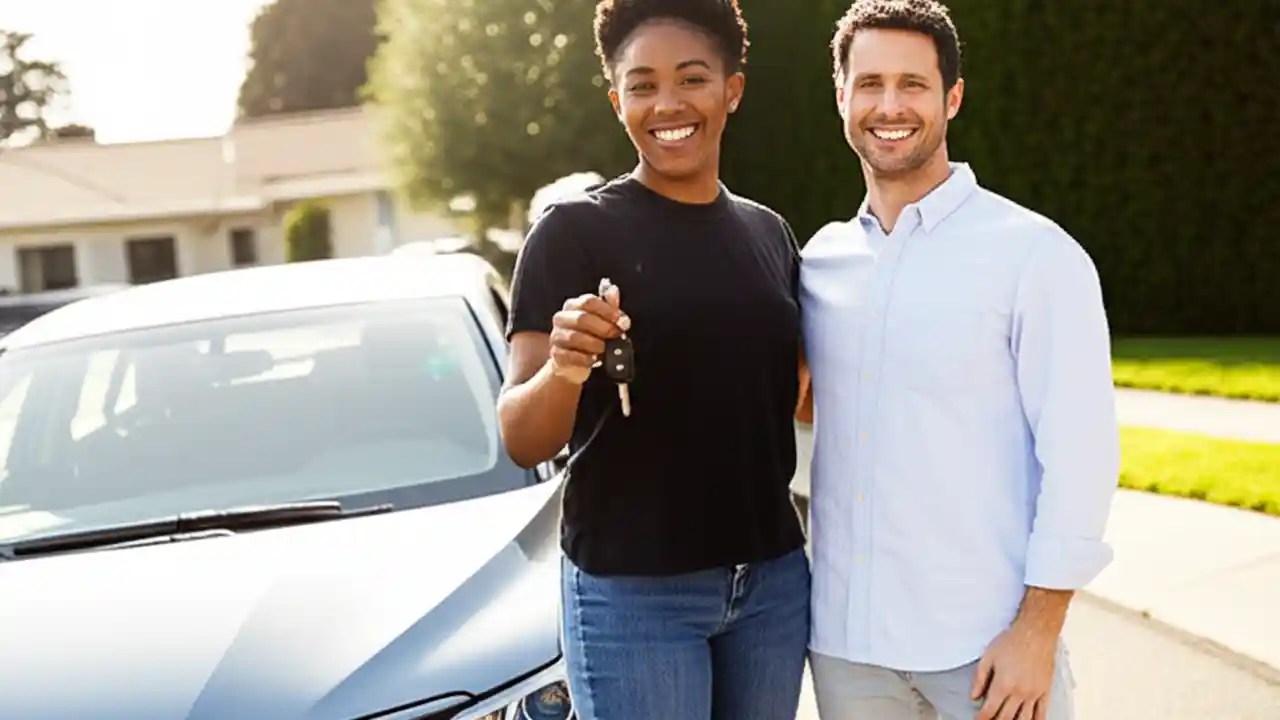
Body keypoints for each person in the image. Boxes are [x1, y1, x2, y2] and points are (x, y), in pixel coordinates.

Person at [796, 1, 1120, 719]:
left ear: (953, 97)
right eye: (870, 83)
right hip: (849, 654)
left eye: (913, 84)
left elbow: (1083, 454)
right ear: (841, 96)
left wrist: (1039, 630)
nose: (890, 106)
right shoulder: (819, 262)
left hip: (988, 652)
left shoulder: (1035, 256)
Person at [496, 1, 811, 718]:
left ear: (732, 88)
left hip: (770, 584)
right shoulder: (573, 234)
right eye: (641, 86)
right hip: (635, 595)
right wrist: (567, 367)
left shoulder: (769, 234)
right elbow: (522, 434)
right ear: (617, 102)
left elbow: (799, 393)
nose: (667, 104)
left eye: (691, 78)